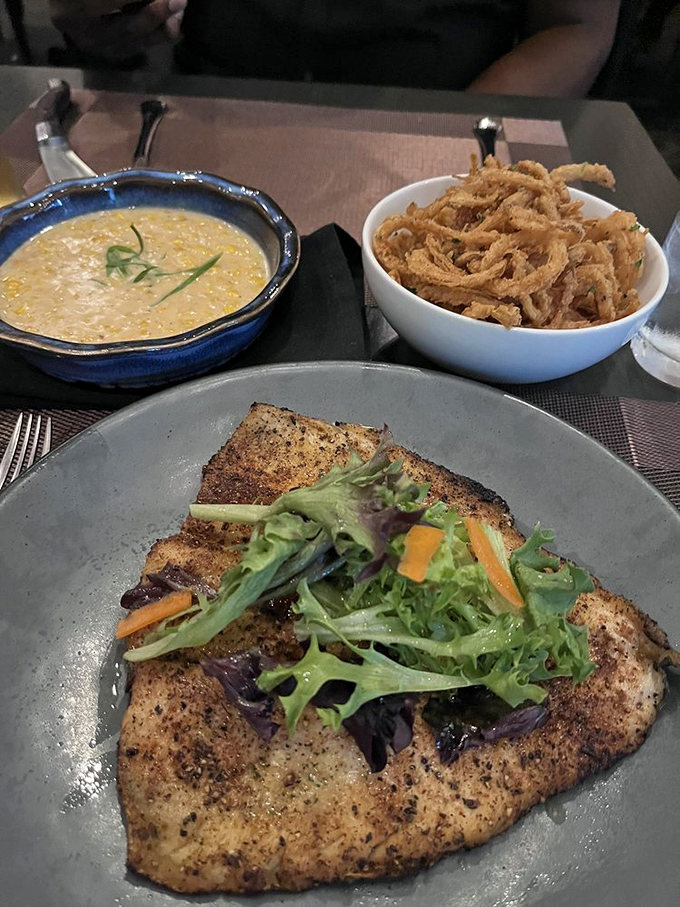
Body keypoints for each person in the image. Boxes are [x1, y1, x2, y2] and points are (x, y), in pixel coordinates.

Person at [48, 0, 621, 97]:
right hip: (202, 103)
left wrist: (456, 152)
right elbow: (90, 21)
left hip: (444, 116)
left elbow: (577, 26)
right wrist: (106, 20)